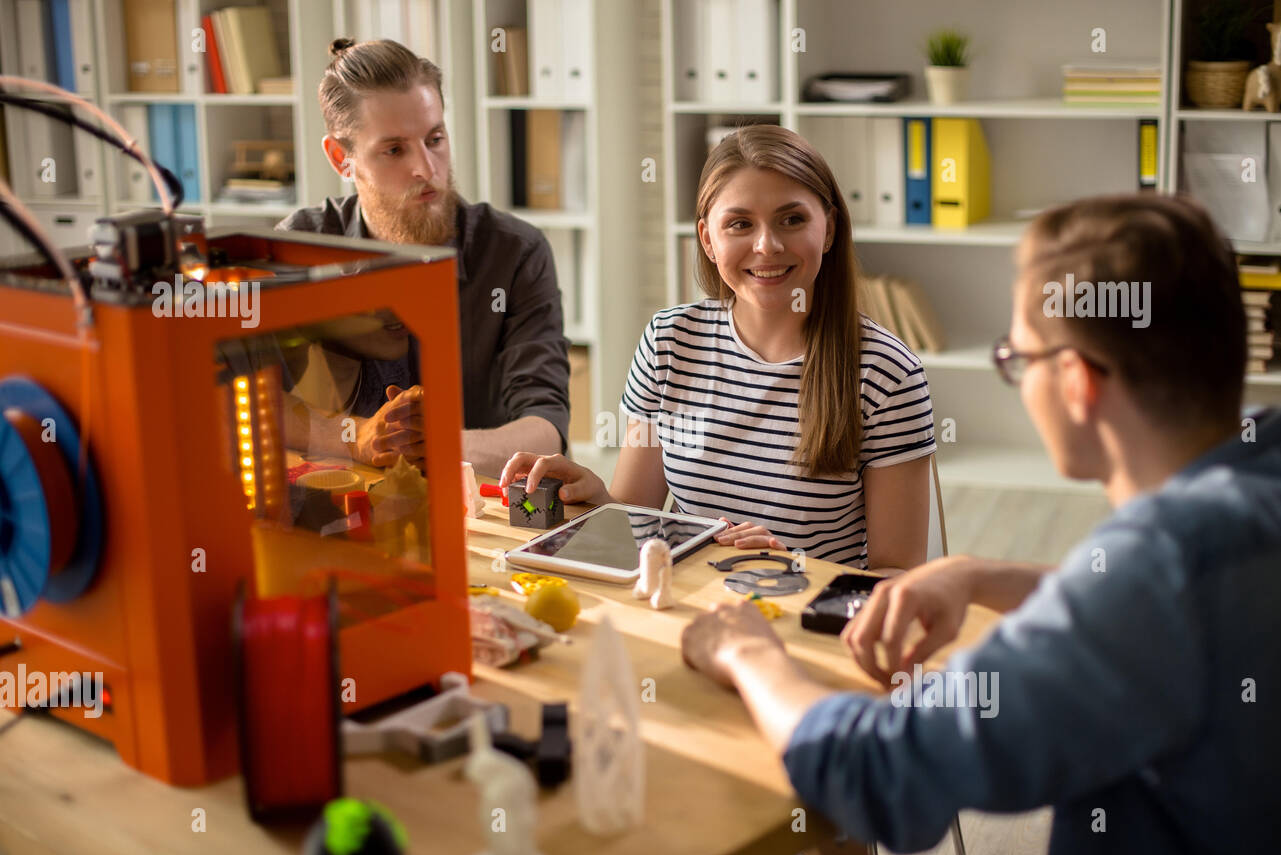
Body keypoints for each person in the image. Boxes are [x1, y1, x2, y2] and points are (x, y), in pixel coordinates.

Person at [680, 193, 1281, 855]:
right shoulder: (1274, 470)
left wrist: (751, 655)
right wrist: (983, 575)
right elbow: (1186, 599)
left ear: (1075, 383)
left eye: (1017, 358)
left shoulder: (1152, 573)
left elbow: (882, 776)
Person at [501, 125, 935, 572]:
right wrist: (596, 498)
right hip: (688, 611)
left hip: (807, 627)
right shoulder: (668, 342)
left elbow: (898, 576)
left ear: (828, 230)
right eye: (740, 224)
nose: (767, 245)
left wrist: (794, 569)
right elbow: (637, 526)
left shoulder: (886, 373)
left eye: (792, 219)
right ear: (708, 240)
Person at [275, 38, 570, 476]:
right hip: (342, 512)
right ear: (342, 159)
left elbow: (547, 429)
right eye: (394, 150)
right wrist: (356, 437)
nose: (427, 168)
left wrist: (437, 445)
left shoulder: (515, 253)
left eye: (435, 139)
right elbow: (254, 401)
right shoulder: (302, 247)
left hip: (479, 512)